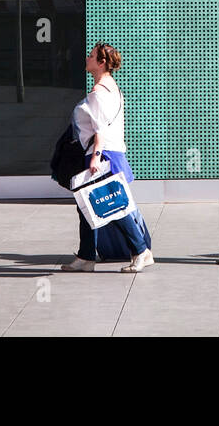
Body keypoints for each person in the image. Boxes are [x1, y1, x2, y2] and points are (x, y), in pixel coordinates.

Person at [62, 43, 153, 274]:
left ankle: (140, 250)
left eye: (91, 56)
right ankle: (85, 256)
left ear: (101, 63)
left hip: (101, 155)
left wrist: (95, 157)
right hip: (110, 152)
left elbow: (100, 129)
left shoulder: (99, 92)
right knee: (87, 205)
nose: (87, 58)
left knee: (113, 205)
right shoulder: (113, 88)